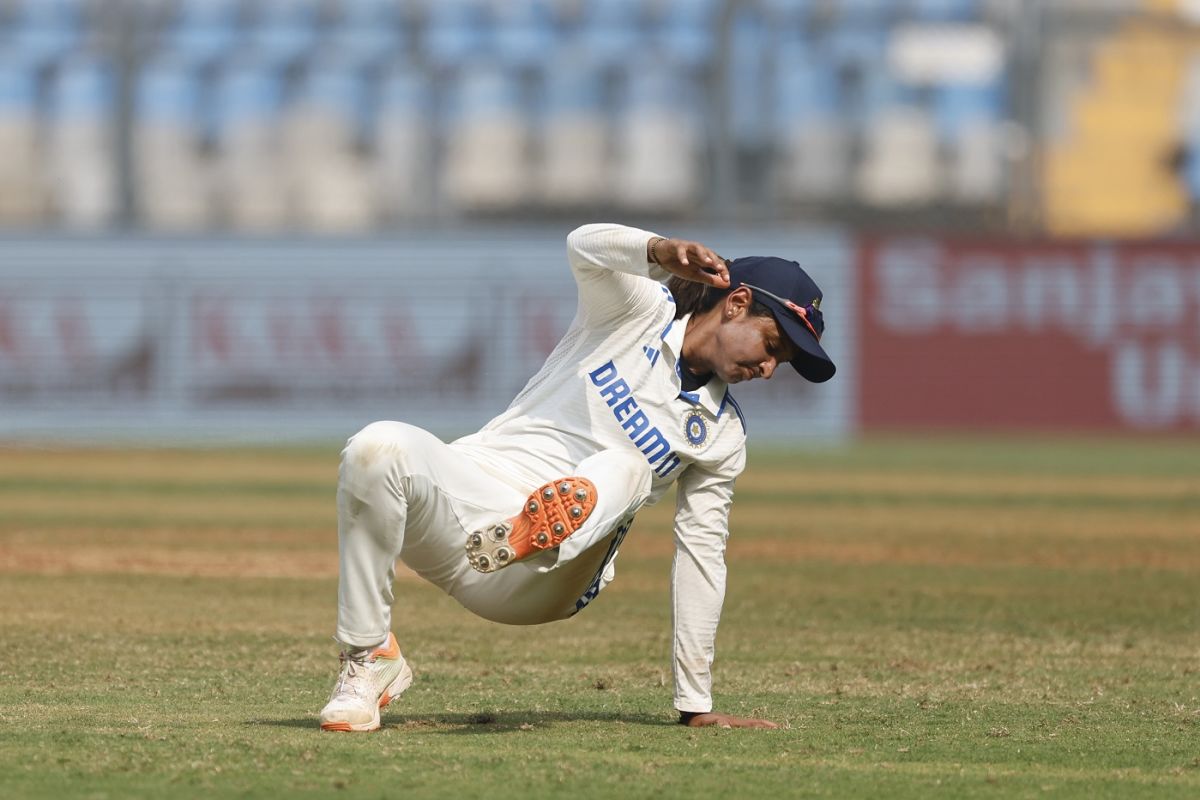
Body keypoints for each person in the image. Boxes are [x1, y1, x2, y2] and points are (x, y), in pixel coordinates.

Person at [319, 223, 835, 732]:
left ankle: (543, 534)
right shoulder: (637, 311)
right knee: (377, 445)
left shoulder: (721, 434)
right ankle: (368, 659)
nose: (768, 368)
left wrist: (695, 703)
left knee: (628, 467)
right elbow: (583, 246)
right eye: (772, 345)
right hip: (467, 513)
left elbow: (702, 556)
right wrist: (656, 250)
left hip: (540, 582)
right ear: (737, 302)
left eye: (780, 363)